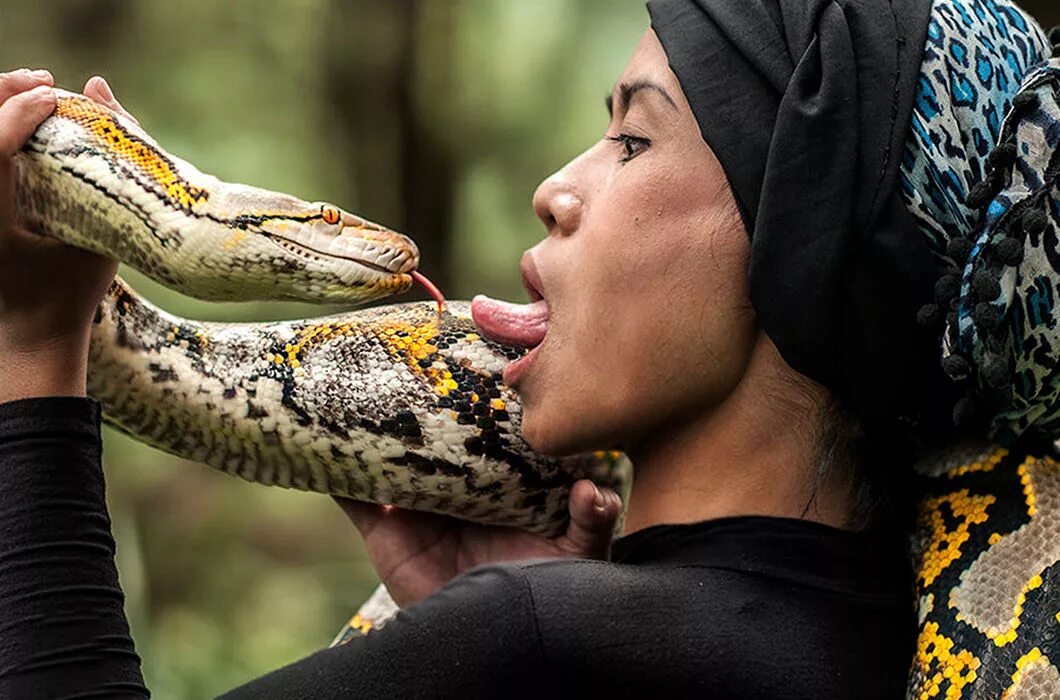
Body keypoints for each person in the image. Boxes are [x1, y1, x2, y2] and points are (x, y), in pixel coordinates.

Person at [0, 0, 1054, 697]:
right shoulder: (864, 638)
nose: (557, 188)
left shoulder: (539, 640)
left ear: (803, 243)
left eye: (632, 140)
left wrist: (33, 351)